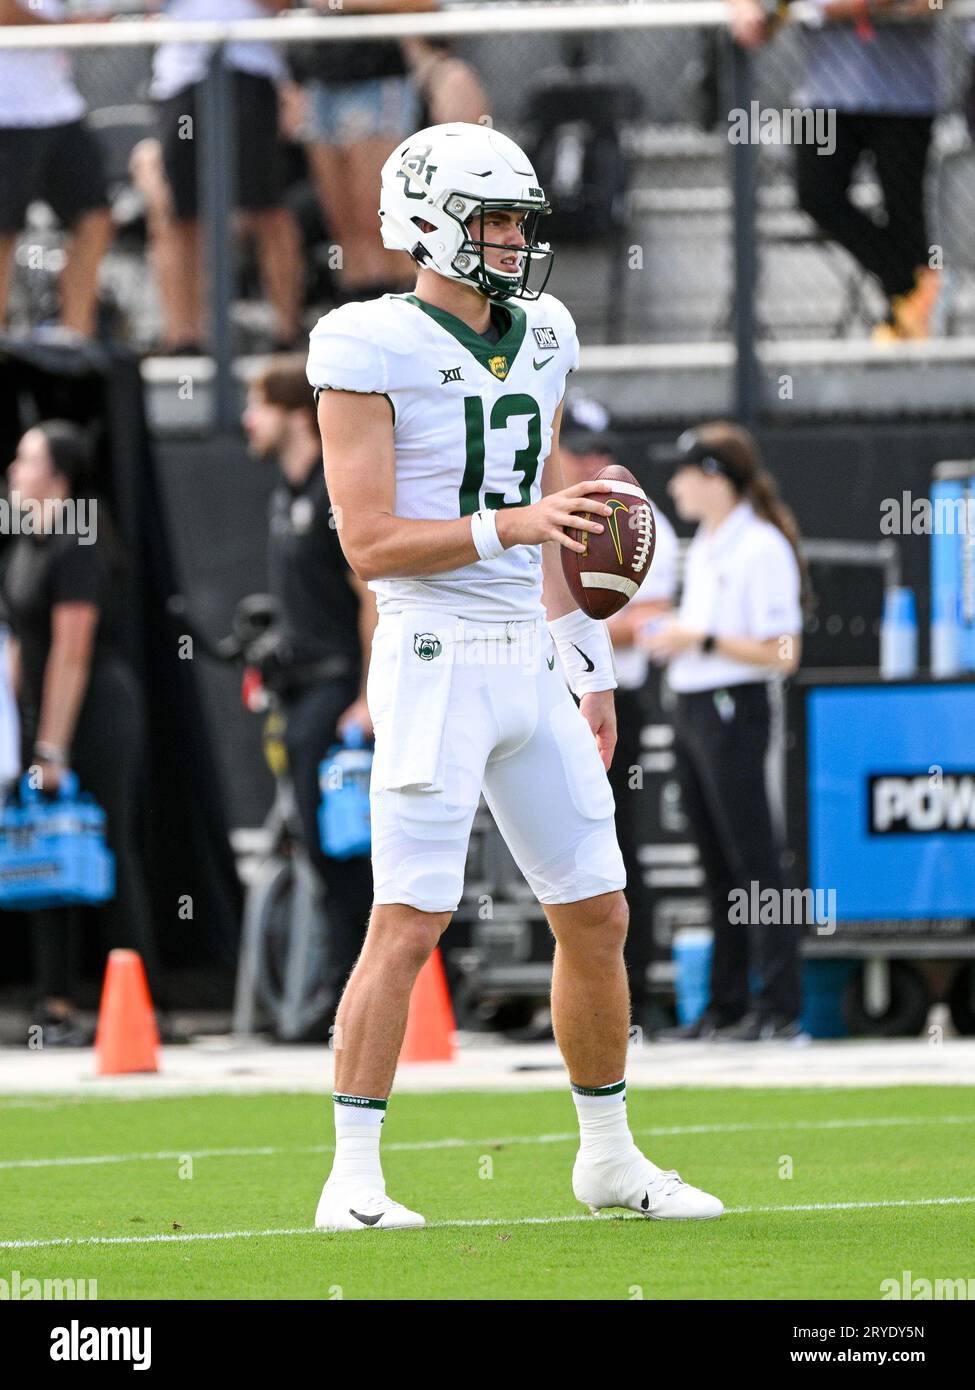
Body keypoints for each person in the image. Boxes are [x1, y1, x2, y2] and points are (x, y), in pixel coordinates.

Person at [305, 121, 723, 1230]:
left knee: (598, 912)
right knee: (410, 915)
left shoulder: (544, 336)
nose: (511, 242)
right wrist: (517, 524)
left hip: (528, 658)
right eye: (490, 220)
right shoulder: (366, 342)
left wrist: (592, 666)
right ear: (428, 224)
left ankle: (609, 1159)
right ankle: (352, 1181)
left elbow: (561, 533)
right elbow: (371, 544)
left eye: (516, 222)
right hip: (434, 652)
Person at [643, 423, 805, 1042]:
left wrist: (699, 639)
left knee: (754, 859)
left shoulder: (760, 546)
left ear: (714, 477)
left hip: (732, 705)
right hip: (691, 705)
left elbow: (784, 649)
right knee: (714, 865)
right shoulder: (706, 543)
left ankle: (779, 1005)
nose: (674, 486)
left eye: (684, 473)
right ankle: (726, 1004)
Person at [1, 421, 159, 1044]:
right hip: (44, 723)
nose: (14, 470)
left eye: (26, 459)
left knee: (110, 845)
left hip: (96, 719)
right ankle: (55, 1003)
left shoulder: (80, 541)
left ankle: (138, 1003)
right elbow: (20, 644)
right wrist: (21, 734)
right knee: (42, 852)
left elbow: (73, 652)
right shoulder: (23, 544)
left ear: (58, 475)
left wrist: (53, 746)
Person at [242, 359, 377, 1035]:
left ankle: (363, 992)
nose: (246, 419)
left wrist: (367, 695)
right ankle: (344, 986)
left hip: (336, 692)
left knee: (343, 847)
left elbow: (370, 595)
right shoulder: (284, 491)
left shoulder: (332, 490)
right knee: (318, 852)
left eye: (257, 405)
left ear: (296, 415)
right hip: (301, 690)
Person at [558, 395, 680, 1032]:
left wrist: (569, 622)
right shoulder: (549, 509)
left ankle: (635, 1001)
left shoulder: (637, 517)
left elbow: (647, 619)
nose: (594, 460)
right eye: (581, 448)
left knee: (615, 851)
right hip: (558, 694)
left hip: (610, 699)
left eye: (602, 448)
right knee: (560, 856)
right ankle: (578, 1005)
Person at [729, 0, 943, 340]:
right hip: (825, 94)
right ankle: (910, 283)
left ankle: (906, 326)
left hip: (905, 94)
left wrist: (823, 7)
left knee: (904, 211)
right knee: (815, 193)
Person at [150, 0, 304, 352]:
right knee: (179, 212)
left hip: (250, 70)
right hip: (180, 77)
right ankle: (185, 338)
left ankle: (286, 334)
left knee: (267, 208)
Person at [296, 0, 437, 301]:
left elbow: (424, 4)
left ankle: (406, 317)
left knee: (377, 216)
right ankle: (361, 316)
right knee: (340, 221)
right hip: (320, 82)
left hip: (376, 80)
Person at [0, 0, 113, 339]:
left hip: (59, 110)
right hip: (6, 113)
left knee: (95, 215)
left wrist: (86, 24)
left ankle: (75, 341)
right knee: (3, 232)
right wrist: (69, 28)